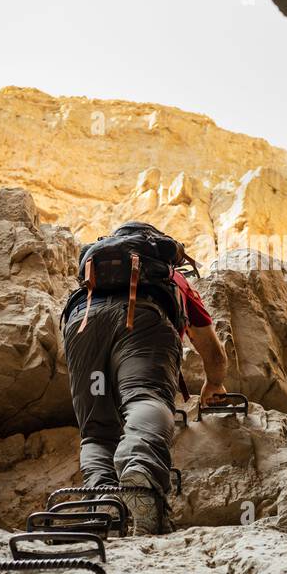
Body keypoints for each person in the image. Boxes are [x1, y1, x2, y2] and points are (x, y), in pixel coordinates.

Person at [61, 224, 229, 534]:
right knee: (145, 397)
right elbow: (212, 351)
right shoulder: (171, 278)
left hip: (80, 324)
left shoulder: (94, 274)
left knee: (96, 431)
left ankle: (104, 504)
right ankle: (140, 475)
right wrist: (214, 382)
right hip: (141, 316)